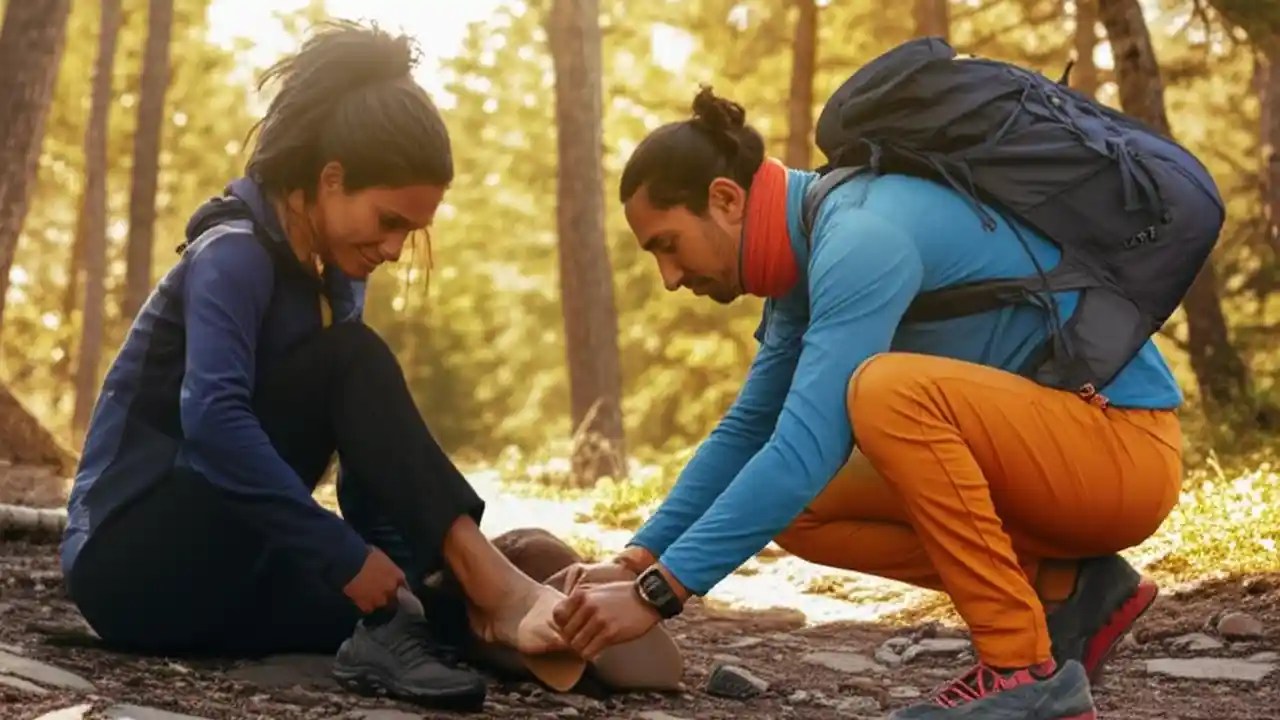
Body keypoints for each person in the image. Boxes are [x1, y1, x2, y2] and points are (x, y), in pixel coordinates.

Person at [552, 86, 1184, 719]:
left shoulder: (859, 236)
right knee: (801, 507)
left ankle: (1019, 670)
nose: (670, 277)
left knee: (885, 392)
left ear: (725, 199)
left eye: (667, 244)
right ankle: (1066, 584)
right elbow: (749, 431)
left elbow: (805, 448)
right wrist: (635, 560)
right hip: (1058, 457)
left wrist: (658, 594)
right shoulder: (807, 250)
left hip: (1121, 450)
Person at [59, 21, 583, 710]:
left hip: (226, 561)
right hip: (132, 560)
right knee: (354, 360)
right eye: (390, 221)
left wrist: (400, 562)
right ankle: (491, 581)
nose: (396, 249)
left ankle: (483, 597)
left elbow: (371, 450)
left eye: (413, 232)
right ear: (331, 179)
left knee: (415, 614)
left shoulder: (332, 280)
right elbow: (214, 426)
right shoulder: (232, 255)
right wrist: (343, 555)